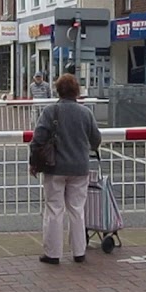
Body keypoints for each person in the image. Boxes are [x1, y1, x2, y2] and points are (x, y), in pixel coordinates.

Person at [31, 74, 101, 265]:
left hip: (55, 167)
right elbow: (96, 140)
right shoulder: (86, 113)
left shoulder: (50, 111)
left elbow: (38, 139)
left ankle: (53, 254)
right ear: (76, 91)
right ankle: (79, 252)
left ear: (57, 90)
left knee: (54, 209)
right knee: (77, 209)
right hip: (80, 167)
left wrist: (33, 163)